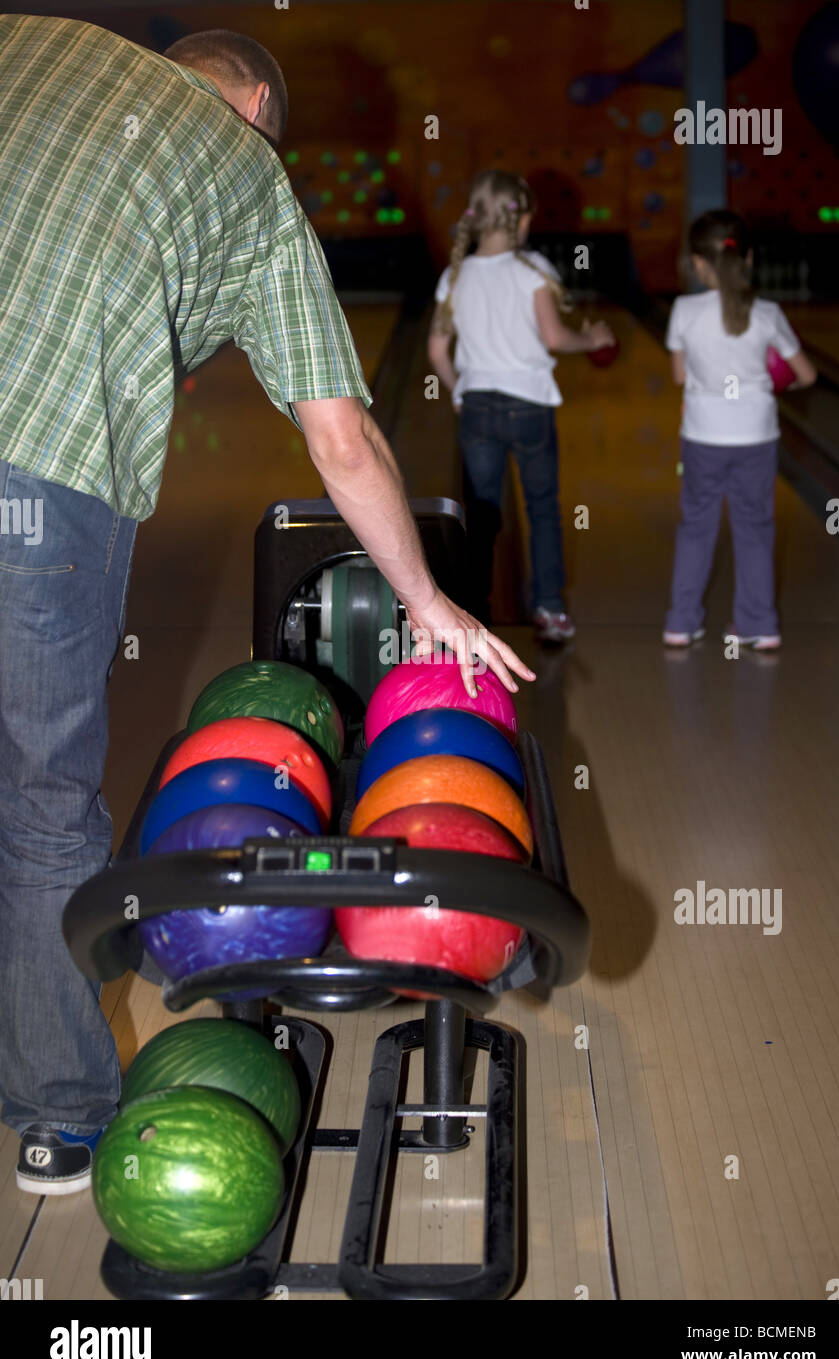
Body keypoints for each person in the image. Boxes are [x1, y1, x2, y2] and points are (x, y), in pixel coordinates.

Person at [0, 15, 533, 1195]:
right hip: (38, 482)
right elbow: (340, 436)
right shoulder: (243, 172)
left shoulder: (28, 37)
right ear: (252, 112)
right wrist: (427, 602)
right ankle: (56, 1116)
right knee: (39, 804)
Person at [427, 169, 615, 643]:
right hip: (530, 407)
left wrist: (457, 391)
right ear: (522, 219)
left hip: (478, 409)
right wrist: (590, 337)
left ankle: (474, 617)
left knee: (482, 519)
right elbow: (554, 337)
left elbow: (435, 351)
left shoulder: (455, 275)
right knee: (543, 510)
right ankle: (550, 611)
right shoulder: (534, 271)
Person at [663, 209, 816, 650]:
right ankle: (759, 626)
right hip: (756, 437)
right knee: (754, 528)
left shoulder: (684, 311)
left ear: (696, 263)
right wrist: (771, 377)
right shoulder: (768, 313)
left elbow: (678, 375)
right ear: (747, 259)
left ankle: (680, 622)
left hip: (703, 436)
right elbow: (805, 375)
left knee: (696, 527)